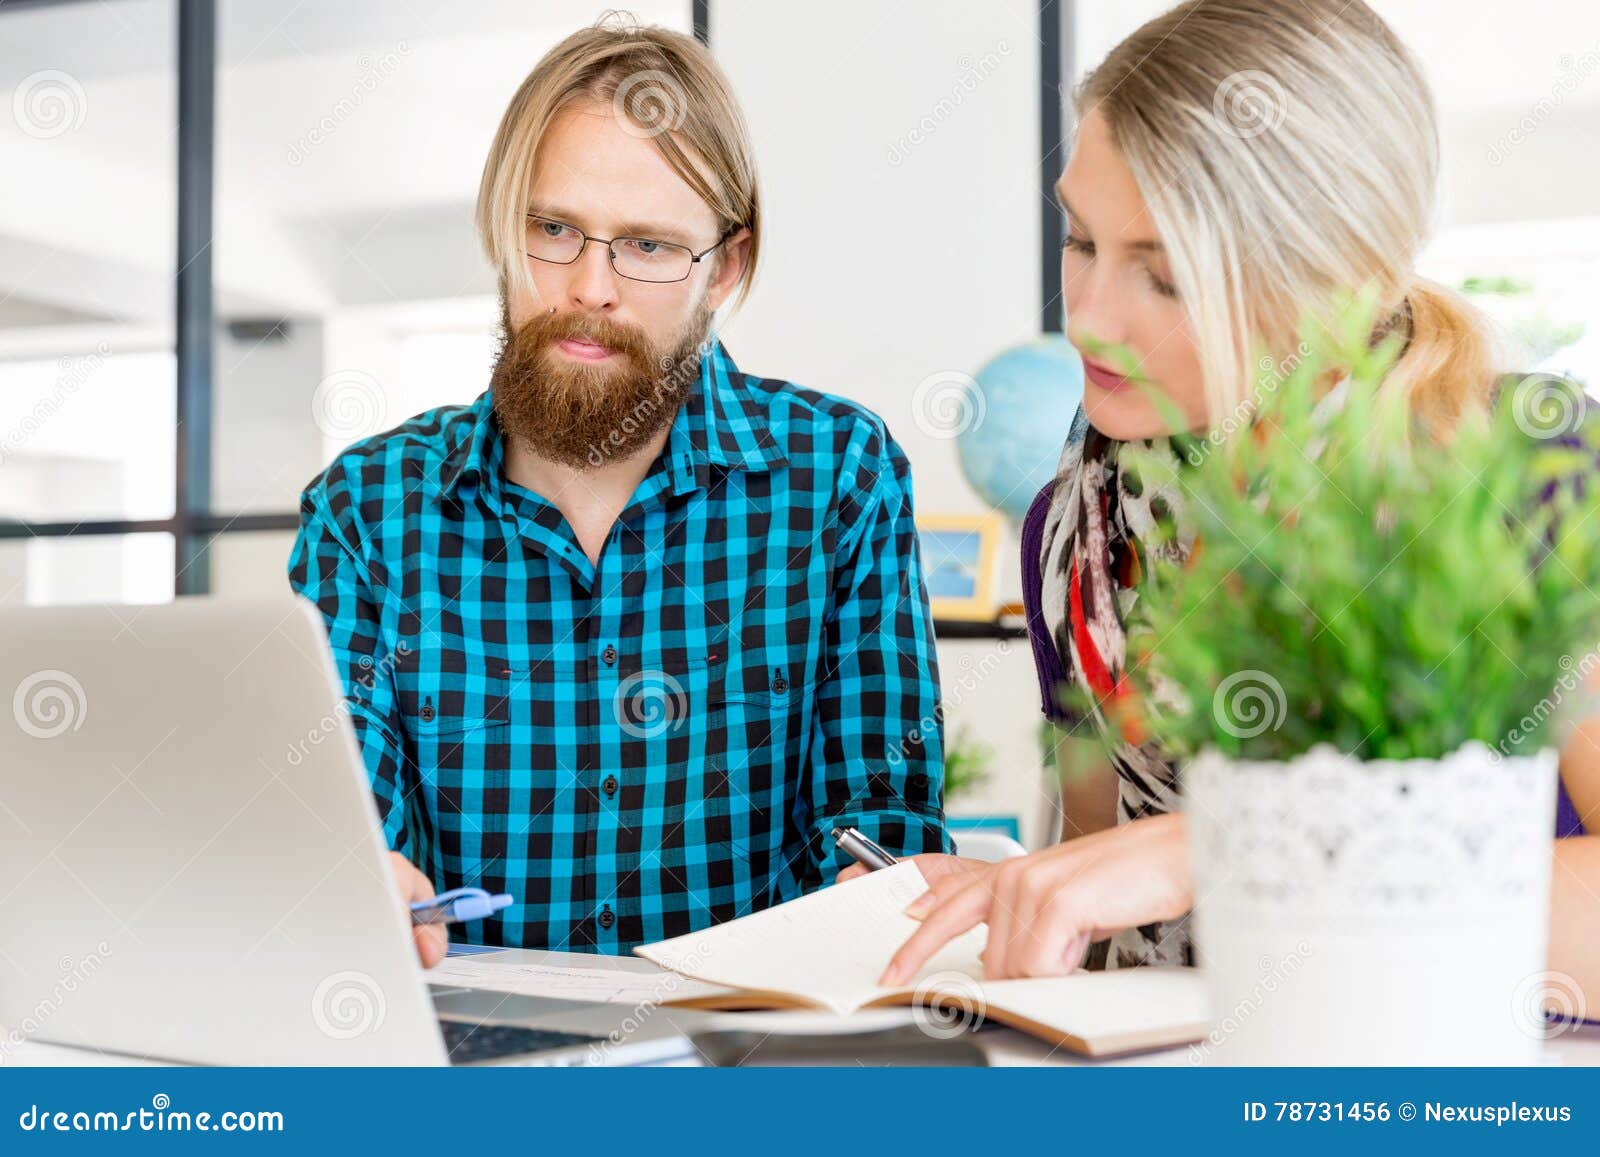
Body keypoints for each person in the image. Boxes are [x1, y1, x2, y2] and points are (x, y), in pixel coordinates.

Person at [857, 0, 1598, 999]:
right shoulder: (1076, 530)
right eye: (1079, 242)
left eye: (1163, 276)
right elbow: (1106, 898)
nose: (1087, 320)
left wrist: (1222, 850)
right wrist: (1022, 894)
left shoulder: (1527, 470)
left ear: (1331, 278)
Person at [290, 18, 951, 965]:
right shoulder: (364, 510)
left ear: (727, 266)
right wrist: (350, 879)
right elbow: (348, 827)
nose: (587, 287)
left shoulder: (839, 476)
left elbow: (882, 819)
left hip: (751, 1064)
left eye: (645, 246)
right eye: (553, 229)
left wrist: (874, 892)